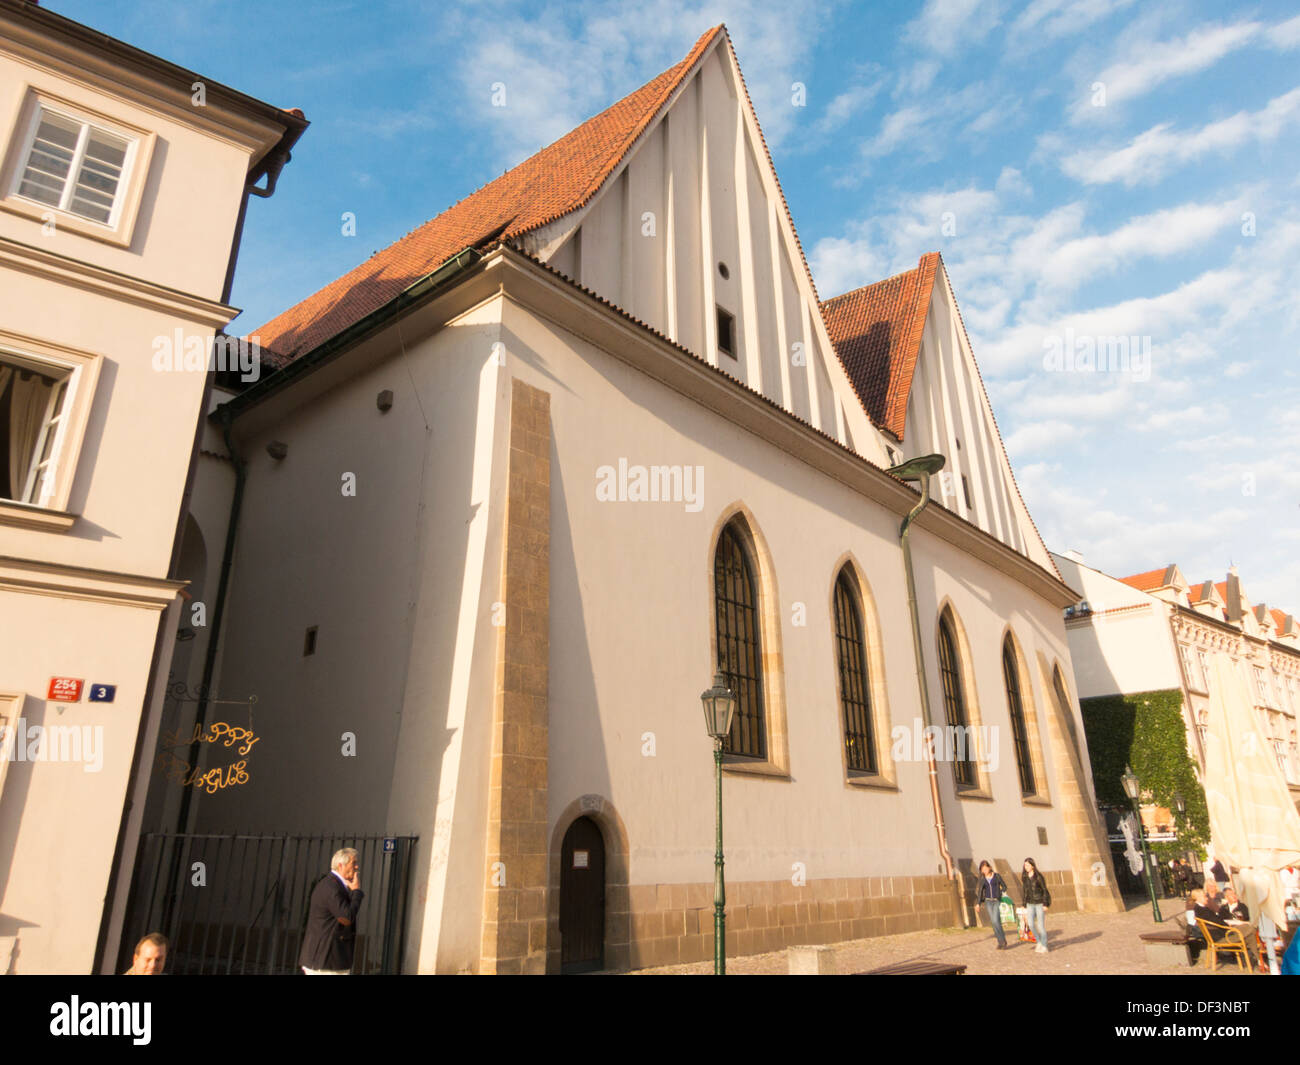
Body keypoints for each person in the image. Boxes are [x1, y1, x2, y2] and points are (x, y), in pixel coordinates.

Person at [299, 848, 364, 975]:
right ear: (341, 865)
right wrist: (357, 892)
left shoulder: (333, 885)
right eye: (353, 863)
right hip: (326, 960)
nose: (357, 866)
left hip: (329, 959)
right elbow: (346, 918)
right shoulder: (331, 887)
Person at [975, 860, 1010, 950]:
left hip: (996, 901)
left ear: (989, 867)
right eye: (982, 869)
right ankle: (1000, 942)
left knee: (996, 921)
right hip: (988, 902)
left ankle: (1003, 940)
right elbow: (980, 892)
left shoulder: (997, 876)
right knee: (994, 923)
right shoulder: (983, 880)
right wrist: (978, 904)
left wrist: (1000, 892)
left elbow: (1004, 886)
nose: (984, 870)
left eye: (986, 868)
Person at [1021, 857, 1052, 954]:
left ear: (1033, 866)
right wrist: (1024, 904)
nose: (1026, 867)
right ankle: (1039, 941)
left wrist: (1046, 903)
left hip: (1039, 903)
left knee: (1040, 926)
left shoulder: (1038, 876)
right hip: (1030, 904)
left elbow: (1044, 890)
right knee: (1030, 924)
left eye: (1028, 865)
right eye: (1025, 865)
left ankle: (1044, 945)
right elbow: (1025, 892)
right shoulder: (1025, 877)